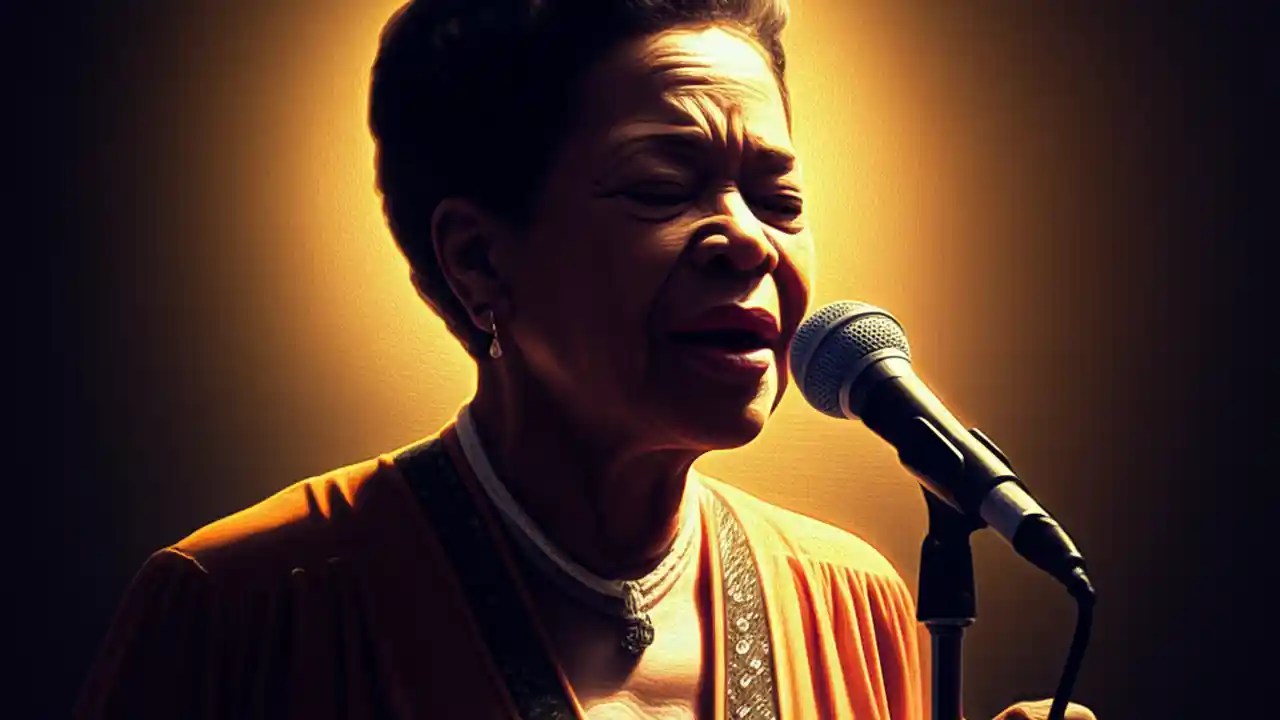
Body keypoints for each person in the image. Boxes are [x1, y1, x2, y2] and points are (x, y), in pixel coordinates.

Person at [76, 1, 1095, 718]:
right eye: (660, 188)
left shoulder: (854, 605)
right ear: (478, 258)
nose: (748, 241)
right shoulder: (244, 612)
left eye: (778, 200)